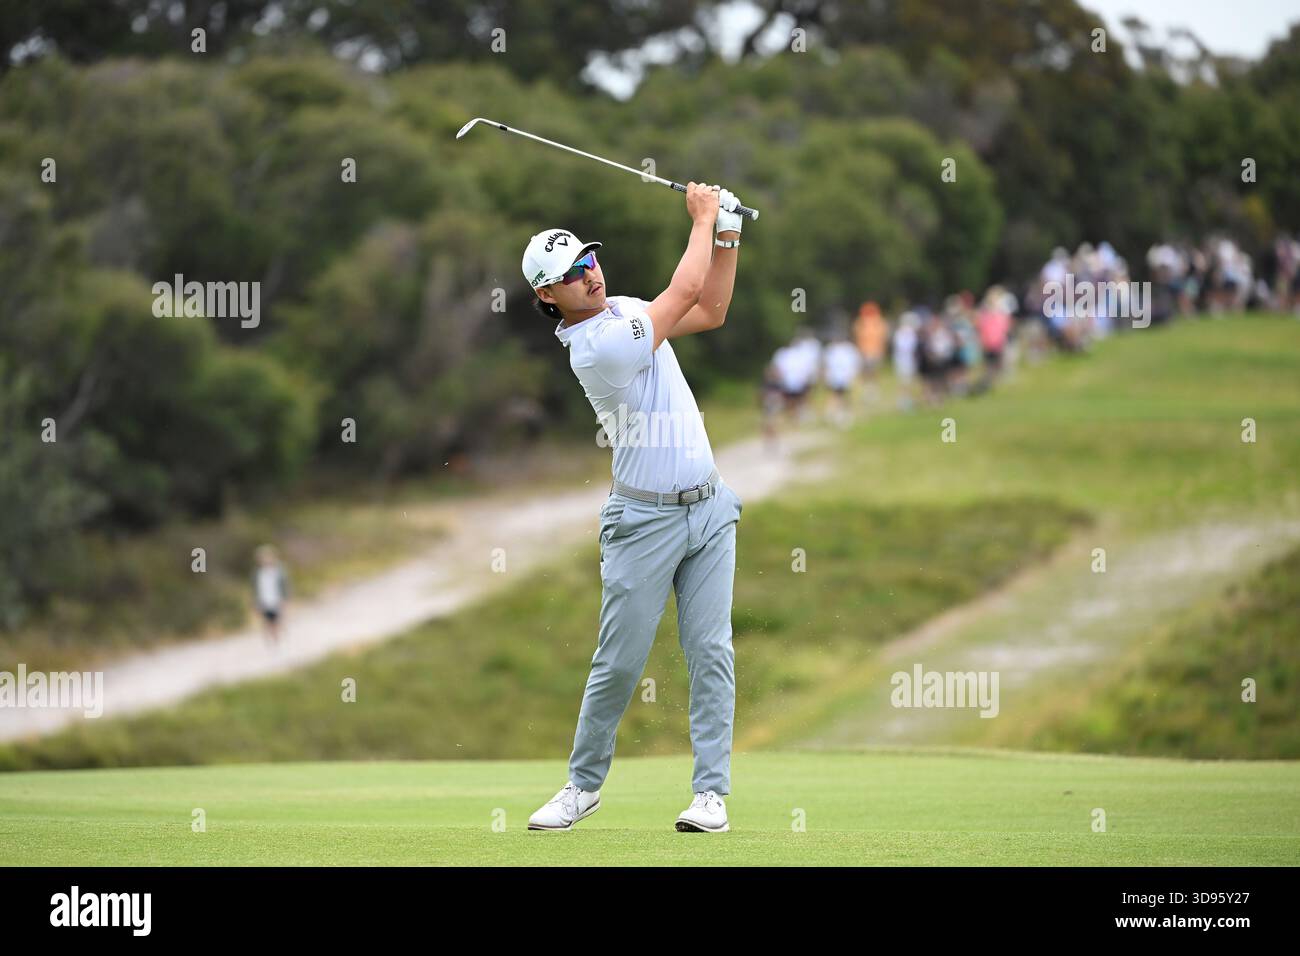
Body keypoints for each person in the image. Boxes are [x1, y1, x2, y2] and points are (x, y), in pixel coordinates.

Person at [524, 182, 746, 834]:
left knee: (711, 651)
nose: (589, 276)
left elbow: (709, 310)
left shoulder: (619, 308)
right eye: (570, 275)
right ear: (548, 295)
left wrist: (726, 235)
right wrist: (704, 218)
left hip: (708, 509)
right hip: (642, 523)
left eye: (588, 261)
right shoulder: (597, 347)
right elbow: (681, 294)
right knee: (618, 662)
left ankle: (711, 796)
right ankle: (582, 786)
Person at [852, 301, 889, 405]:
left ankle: (872, 391)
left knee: (872, 373)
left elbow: (882, 339)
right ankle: (869, 391)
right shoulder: (862, 323)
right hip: (866, 352)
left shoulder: (877, 323)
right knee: (868, 373)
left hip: (873, 352)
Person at [822, 331, 861, 427]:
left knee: (845, 396)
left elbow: (855, 363)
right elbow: (826, 364)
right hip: (835, 377)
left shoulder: (849, 349)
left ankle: (844, 413)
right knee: (835, 395)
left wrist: (853, 375)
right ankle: (834, 413)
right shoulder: (831, 350)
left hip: (846, 377)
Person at [252, 545, 290, 644]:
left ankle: (278, 640)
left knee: (277, 620)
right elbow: (255, 589)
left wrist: (285, 598)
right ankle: (271, 641)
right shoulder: (257, 573)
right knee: (267, 622)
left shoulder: (279, 571)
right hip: (264, 600)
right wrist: (256, 602)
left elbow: (284, 585)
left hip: (276, 599)